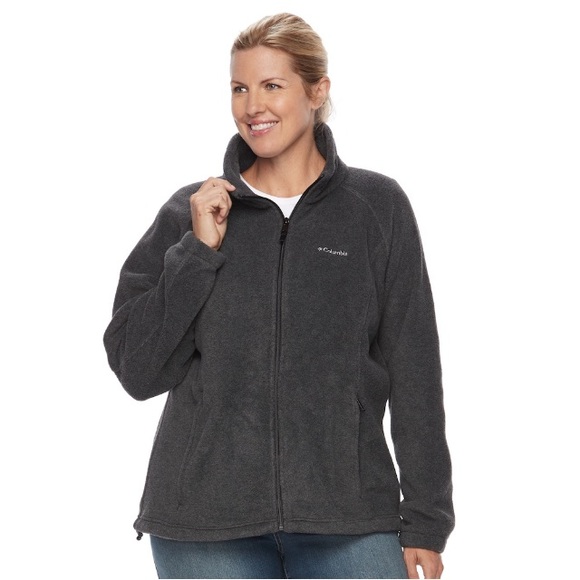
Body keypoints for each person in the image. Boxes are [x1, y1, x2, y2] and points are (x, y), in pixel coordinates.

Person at [103, 12, 455, 579]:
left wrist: (426, 520)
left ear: (317, 91)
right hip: (206, 528)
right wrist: (198, 254)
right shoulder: (191, 213)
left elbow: (414, 369)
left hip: (349, 517)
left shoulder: (376, 208)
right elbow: (136, 370)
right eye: (239, 88)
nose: (252, 106)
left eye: (272, 85)